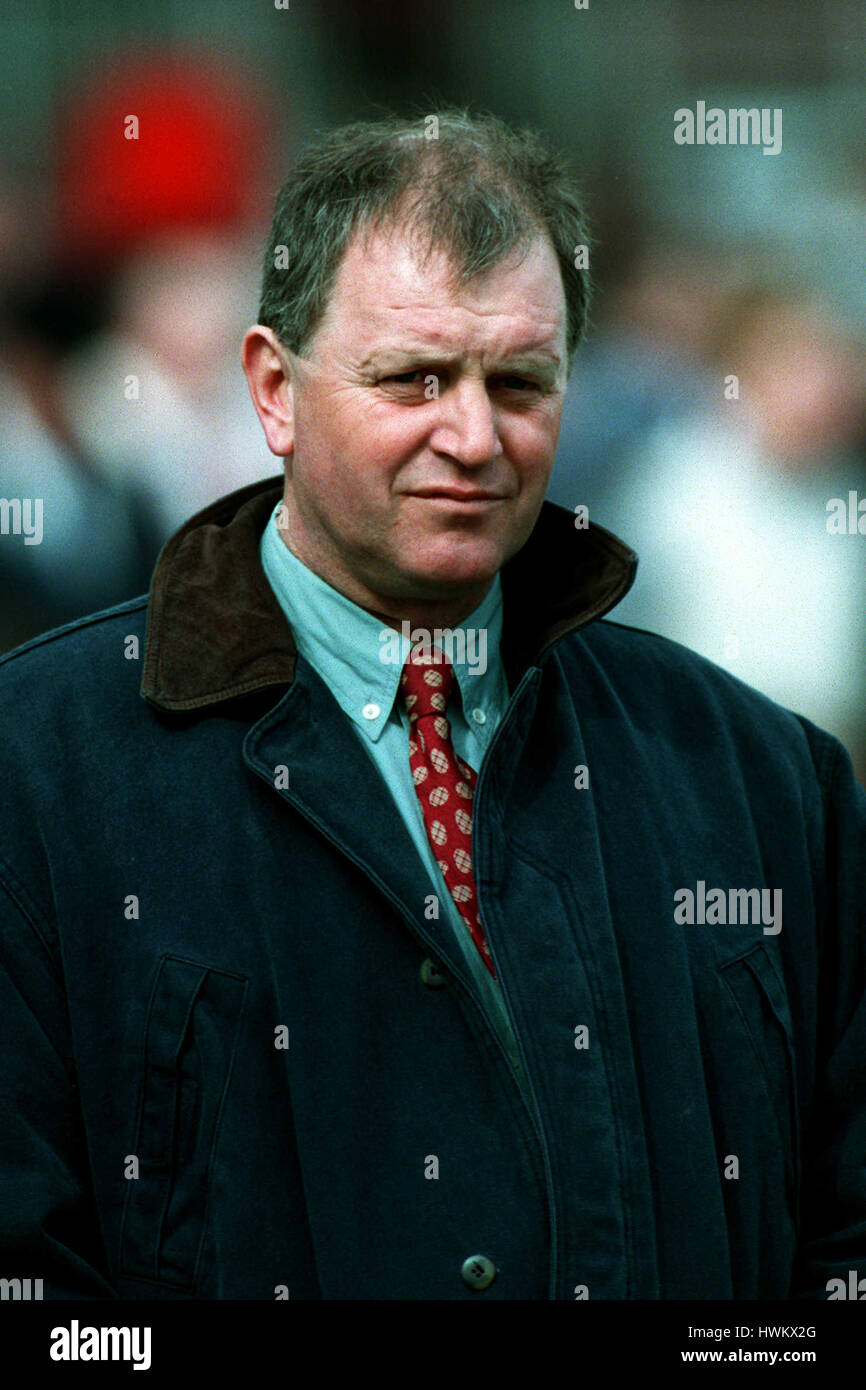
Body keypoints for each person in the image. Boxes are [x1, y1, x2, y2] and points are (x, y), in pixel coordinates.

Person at [0, 109, 864, 1302]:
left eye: (518, 381)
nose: (473, 436)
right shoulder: (42, 769)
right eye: (414, 377)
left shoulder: (763, 780)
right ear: (273, 389)